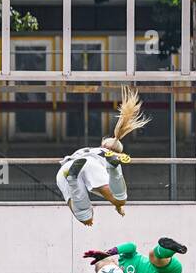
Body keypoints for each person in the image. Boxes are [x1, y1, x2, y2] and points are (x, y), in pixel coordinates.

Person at [56, 85, 149, 226]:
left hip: (65, 168)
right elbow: (112, 195)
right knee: (120, 198)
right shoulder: (106, 155)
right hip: (91, 165)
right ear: (117, 152)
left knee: (84, 216)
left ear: (102, 144)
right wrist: (118, 205)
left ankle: (73, 179)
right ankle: (114, 168)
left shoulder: (91, 149)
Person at [76, 237, 187, 273]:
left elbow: (131, 246)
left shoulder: (124, 258)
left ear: (114, 261)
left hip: (165, 267)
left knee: (152, 256)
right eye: (103, 269)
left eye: (108, 265)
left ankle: (171, 249)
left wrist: (109, 252)